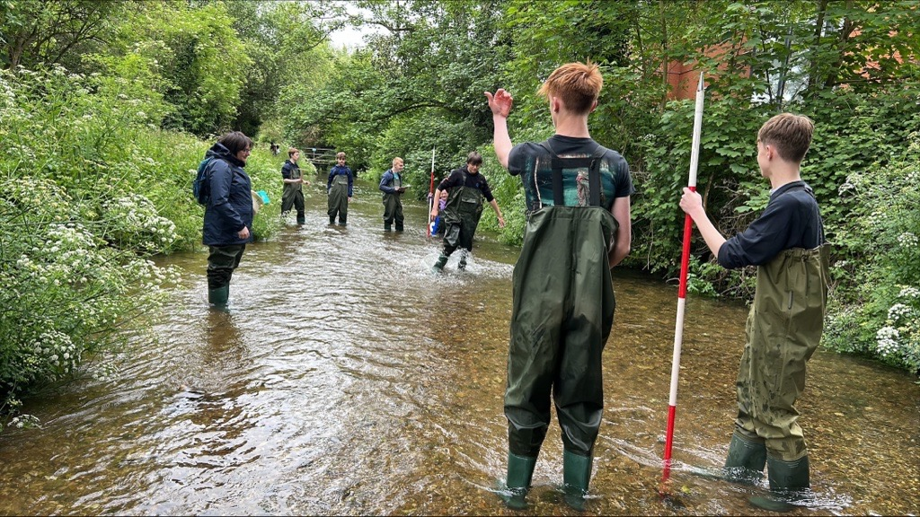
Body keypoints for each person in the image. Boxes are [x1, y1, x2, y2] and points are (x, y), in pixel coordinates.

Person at [485, 61, 633, 511]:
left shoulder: (531, 157)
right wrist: (588, 272)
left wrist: (499, 117)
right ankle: (575, 498)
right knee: (582, 390)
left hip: (536, 294)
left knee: (527, 386)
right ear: (594, 102)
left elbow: (503, 153)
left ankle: (515, 496)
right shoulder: (614, 165)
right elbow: (623, 245)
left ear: (554, 102)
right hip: (592, 295)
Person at [679, 113, 828, 511]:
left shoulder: (792, 204)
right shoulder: (795, 199)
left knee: (776, 410)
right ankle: (738, 478)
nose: (757, 157)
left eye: (757, 151)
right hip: (774, 319)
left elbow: (732, 254)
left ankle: (789, 498)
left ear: (769, 151)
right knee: (752, 398)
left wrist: (697, 212)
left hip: (784, 325)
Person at [202, 131, 254, 308]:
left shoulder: (230, 165)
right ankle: (217, 314)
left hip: (231, 230)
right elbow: (219, 200)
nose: (248, 153)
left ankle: (222, 312)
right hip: (224, 230)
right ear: (234, 149)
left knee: (225, 270)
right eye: (245, 150)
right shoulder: (221, 166)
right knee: (219, 271)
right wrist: (239, 224)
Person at [429, 152, 505, 271]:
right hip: (453, 213)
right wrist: (434, 209)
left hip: (470, 217)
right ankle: (438, 266)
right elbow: (439, 189)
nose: (475, 168)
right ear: (468, 163)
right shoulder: (457, 174)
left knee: (466, 244)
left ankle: (461, 268)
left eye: (477, 165)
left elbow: (490, 198)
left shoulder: (481, 180)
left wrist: (499, 215)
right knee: (452, 240)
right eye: (473, 165)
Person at [281, 147, 309, 225]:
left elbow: (299, 179)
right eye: (296, 155)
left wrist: (304, 181)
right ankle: (283, 226)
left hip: (298, 190)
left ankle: (300, 225)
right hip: (289, 191)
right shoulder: (286, 166)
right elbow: (285, 180)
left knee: (301, 209)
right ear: (291, 155)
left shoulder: (297, 166)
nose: (298, 156)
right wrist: (296, 181)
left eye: (298, 155)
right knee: (285, 209)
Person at [379, 157, 407, 231]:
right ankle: (387, 235)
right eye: (400, 165)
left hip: (397, 198)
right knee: (389, 216)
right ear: (395, 165)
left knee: (400, 217)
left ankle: (399, 235)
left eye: (402, 165)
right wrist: (393, 189)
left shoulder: (398, 175)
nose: (402, 167)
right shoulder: (387, 175)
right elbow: (381, 186)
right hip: (389, 198)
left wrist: (402, 190)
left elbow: (398, 187)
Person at [327, 151, 353, 226]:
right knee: (333, 209)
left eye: (343, 159)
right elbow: (329, 182)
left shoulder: (348, 171)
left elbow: (350, 183)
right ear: (337, 159)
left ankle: (342, 227)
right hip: (334, 193)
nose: (341, 161)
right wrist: (328, 191)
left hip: (344, 193)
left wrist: (349, 194)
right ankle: (331, 225)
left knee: (343, 211)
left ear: (345, 160)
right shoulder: (333, 170)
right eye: (340, 159)